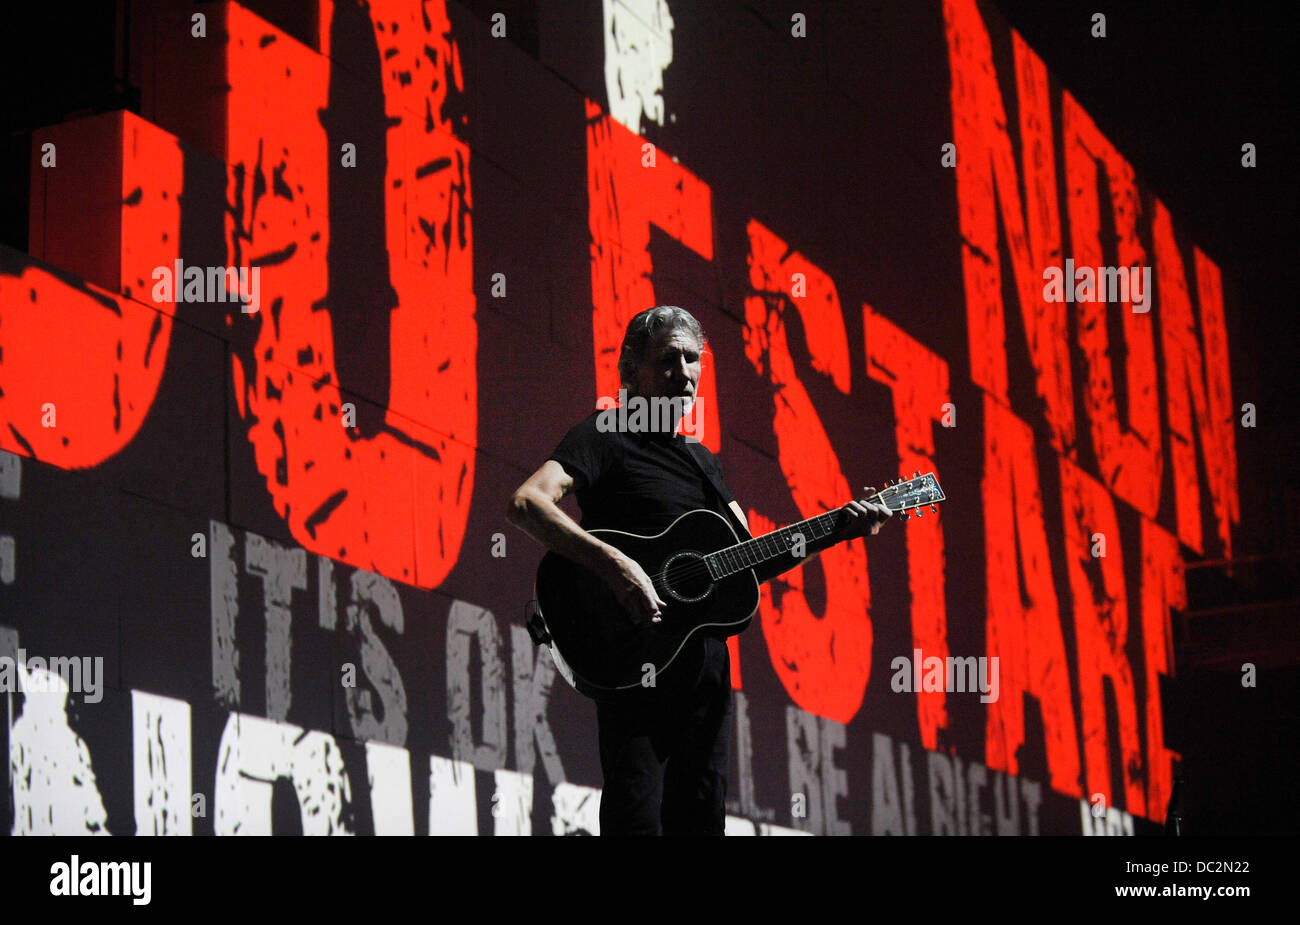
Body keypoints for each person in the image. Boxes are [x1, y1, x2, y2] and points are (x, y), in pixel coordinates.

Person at [506, 305, 892, 835]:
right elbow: (528, 502)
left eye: (694, 360)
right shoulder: (604, 434)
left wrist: (839, 530)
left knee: (702, 823)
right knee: (635, 819)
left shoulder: (703, 462)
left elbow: (749, 561)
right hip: (635, 658)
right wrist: (617, 567)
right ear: (630, 368)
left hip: (704, 677)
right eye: (669, 359)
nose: (685, 372)